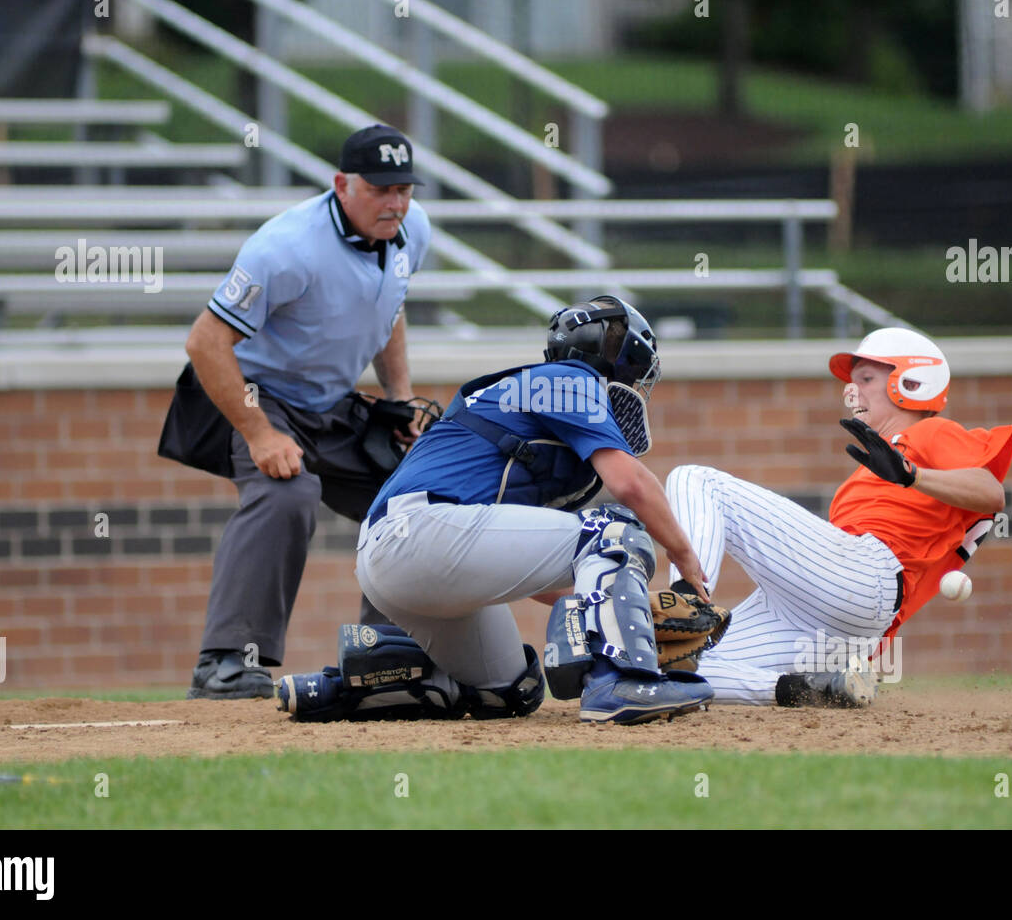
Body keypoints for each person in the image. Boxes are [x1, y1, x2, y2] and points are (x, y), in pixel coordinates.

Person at [275, 296, 716, 725]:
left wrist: (624, 609)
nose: (639, 387)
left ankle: (344, 687)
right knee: (617, 532)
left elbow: (523, 570)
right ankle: (621, 681)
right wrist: (683, 554)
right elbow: (630, 483)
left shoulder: (525, 399)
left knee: (510, 689)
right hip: (422, 533)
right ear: (616, 358)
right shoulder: (569, 378)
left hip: (395, 559)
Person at [157, 124, 431, 699]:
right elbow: (204, 343)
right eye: (380, 189)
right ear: (341, 185)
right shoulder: (286, 247)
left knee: (412, 499)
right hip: (260, 395)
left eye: (404, 188)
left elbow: (388, 308)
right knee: (288, 493)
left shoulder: (411, 231)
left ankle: (385, 656)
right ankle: (225, 662)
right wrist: (259, 434)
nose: (396, 202)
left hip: (331, 402)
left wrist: (399, 397)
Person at [663, 327, 1012, 707]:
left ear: (912, 383)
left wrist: (911, 474)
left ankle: (686, 611)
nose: (854, 391)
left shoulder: (930, 431)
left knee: (696, 480)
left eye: (867, 379)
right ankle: (809, 689)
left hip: (867, 576)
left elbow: (990, 492)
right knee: (675, 666)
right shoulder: (873, 469)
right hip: (842, 619)